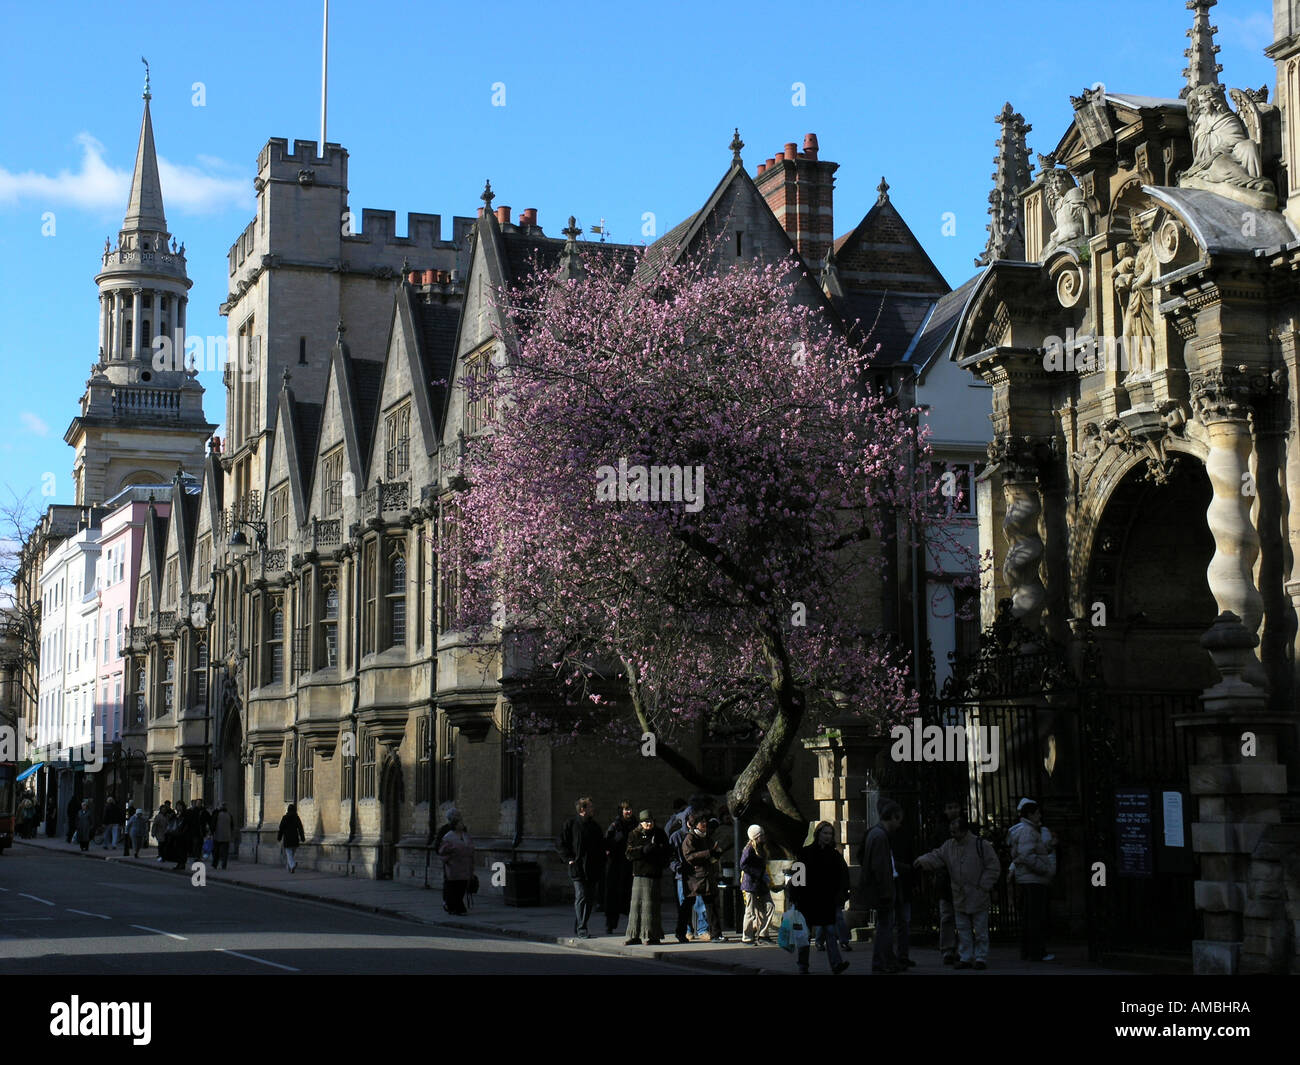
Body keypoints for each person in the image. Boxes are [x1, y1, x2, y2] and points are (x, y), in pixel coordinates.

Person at [915, 815, 1001, 969]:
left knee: (979, 928)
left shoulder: (980, 844)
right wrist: (923, 860)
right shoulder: (950, 845)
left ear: (964, 831)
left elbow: (993, 867)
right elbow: (937, 856)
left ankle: (980, 957)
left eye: (955, 832)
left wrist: (983, 886)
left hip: (975, 893)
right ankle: (967, 956)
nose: (952, 834)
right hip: (962, 894)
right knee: (963, 929)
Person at [790, 821, 850, 975]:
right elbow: (797, 877)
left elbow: (843, 876)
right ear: (818, 834)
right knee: (804, 935)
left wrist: (842, 894)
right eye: (825, 833)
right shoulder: (806, 853)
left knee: (830, 932)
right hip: (807, 901)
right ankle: (803, 965)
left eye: (830, 834)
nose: (828, 837)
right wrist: (795, 898)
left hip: (826, 901)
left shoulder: (834, 855)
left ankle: (836, 964)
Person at [859, 800, 904, 974]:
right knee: (884, 929)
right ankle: (880, 963)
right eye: (898, 820)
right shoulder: (879, 836)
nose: (899, 825)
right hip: (883, 891)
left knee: (884, 927)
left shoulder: (877, 834)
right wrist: (886, 892)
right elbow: (880, 867)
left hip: (882, 889)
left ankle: (885, 961)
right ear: (893, 817)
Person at [1008, 798, 1056, 962]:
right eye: (1037, 813)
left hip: (1029, 878)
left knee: (1030, 917)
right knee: (1035, 917)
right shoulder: (1029, 831)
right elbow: (1027, 855)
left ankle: (1028, 951)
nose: (1040, 815)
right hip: (1034, 878)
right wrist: (1044, 868)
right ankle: (1036, 951)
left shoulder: (1025, 830)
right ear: (1030, 814)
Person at [558, 797, 606, 938]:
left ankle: (579, 924)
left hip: (592, 868)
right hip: (577, 867)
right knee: (581, 895)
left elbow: (600, 846)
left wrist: (602, 860)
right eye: (590, 807)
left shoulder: (594, 826)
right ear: (583, 809)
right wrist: (569, 859)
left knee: (589, 898)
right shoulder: (571, 824)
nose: (593, 809)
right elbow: (561, 843)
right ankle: (582, 928)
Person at [624, 810, 670, 945]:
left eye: (650, 821)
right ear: (641, 822)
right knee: (636, 907)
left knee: (651, 907)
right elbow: (629, 853)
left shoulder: (659, 834)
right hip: (639, 874)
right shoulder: (634, 834)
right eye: (646, 822)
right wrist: (643, 850)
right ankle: (635, 935)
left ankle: (653, 936)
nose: (648, 824)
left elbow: (667, 851)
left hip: (653, 875)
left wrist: (657, 849)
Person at [680, 812, 725, 942]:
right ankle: (682, 932)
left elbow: (711, 854)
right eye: (701, 822)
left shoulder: (707, 838)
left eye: (705, 822)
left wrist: (715, 855)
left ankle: (716, 934)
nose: (704, 824)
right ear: (695, 825)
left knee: (712, 906)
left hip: (707, 877)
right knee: (688, 905)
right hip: (694, 879)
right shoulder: (690, 838)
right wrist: (708, 853)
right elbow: (689, 856)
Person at [931, 798, 965, 964]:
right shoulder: (940, 830)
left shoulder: (967, 828)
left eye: (956, 806)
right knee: (947, 916)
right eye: (950, 807)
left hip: (963, 879)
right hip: (945, 879)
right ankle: (947, 948)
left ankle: (963, 948)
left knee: (963, 915)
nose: (953, 810)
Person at [603, 801, 637, 935]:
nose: (628, 812)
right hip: (616, 866)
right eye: (626, 809)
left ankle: (633, 926)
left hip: (630, 865)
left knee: (630, 896)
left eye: (630, 809)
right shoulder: (615, 825)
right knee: (613, 896)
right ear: (621, 811)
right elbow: (606, 843)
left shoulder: (635, 825)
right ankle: (610, 924)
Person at [740, 825, 776, 944]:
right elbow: (743, 865)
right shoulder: (749, 849)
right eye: (761, 835)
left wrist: (765, 878)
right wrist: (757, 873)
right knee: (750, 911)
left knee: (769, 906)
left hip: (761, 883)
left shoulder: (762, 848)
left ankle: (763, 934)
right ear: (756, 837)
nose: (764, 837)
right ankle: (747, 937)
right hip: (750, 884)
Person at [438, 810, 474, 915]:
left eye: (462, 822)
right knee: (454, 887)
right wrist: (450, 856)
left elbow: (471, 847)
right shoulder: (448, 835)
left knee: (462, 887)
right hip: (453, 866)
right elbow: (441, 850)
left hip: (465, 866)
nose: (462, 824)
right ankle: (457, 907)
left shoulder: (466, 835)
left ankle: (453, 906)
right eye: (459, 822)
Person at [277, 802, 306, 873]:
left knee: (289, 854)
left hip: (287, 839)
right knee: (291, 854)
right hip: (295, 839)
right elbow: (300, 828)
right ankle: (289, 867)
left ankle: (292, 865)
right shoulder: (296, 817)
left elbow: (281, 828)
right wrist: (302, 837)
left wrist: (279, 837)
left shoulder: (285, 818)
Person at [212, 802, 235, 869]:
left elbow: (213, 824)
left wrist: (212, 832)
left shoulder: (217, 814)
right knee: (225, 852)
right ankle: (224, 865)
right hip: (226, 836)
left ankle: (215, 864)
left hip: (218, 836)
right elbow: (232, 826)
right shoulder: (229, 815)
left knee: (216, 851)